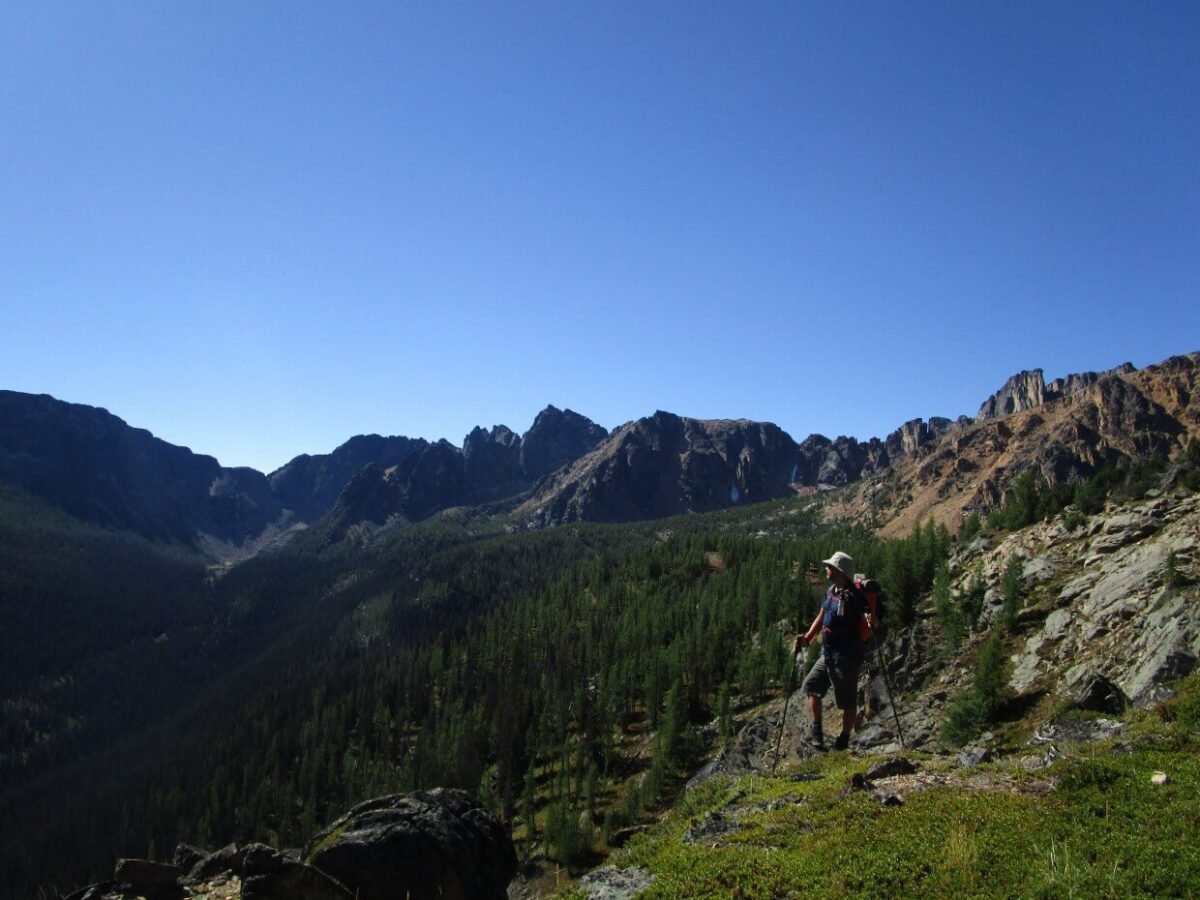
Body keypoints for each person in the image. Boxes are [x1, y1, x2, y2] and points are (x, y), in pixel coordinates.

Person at [792, 551, 872, 751]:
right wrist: (808, 638)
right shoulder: (832, 590)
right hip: (827, 653)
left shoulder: (855, 597)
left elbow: (869, 623)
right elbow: (822, 616)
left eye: (829, 567)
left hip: (846, 656)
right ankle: (817, 732)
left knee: (847, 702)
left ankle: (843, 740)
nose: (826, 569)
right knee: (811, 686)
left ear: (839, 570)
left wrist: (870, 621)